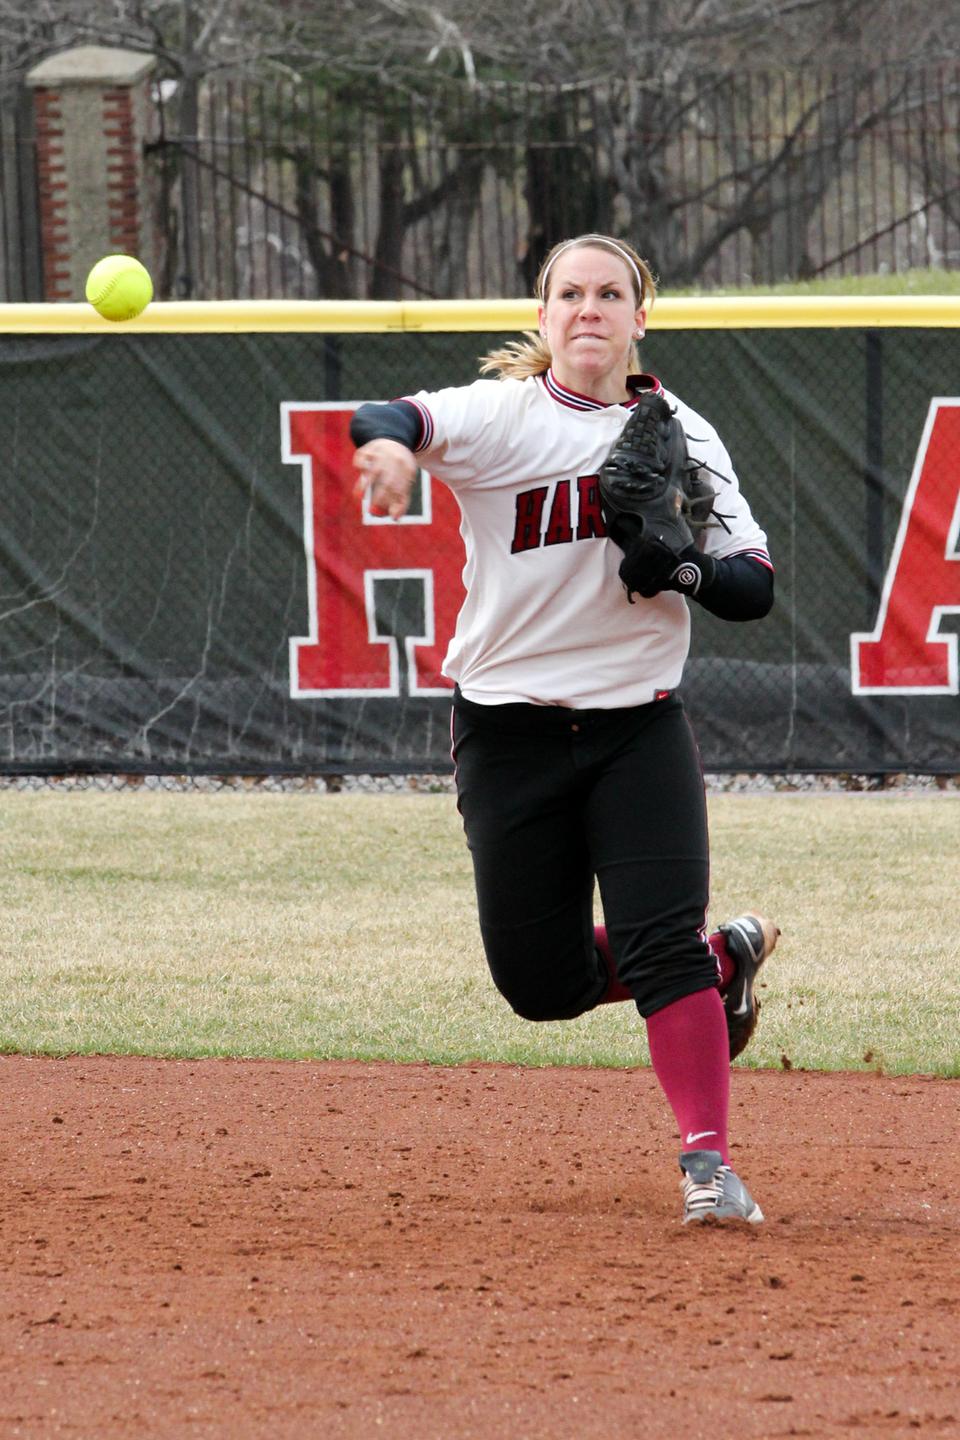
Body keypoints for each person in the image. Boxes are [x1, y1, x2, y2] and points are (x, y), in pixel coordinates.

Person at [350, 232, 778, 1225]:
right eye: (570, 294)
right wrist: (385, 450)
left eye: (610, 293)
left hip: (639, 728)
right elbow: (395, 414)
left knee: (658, 944)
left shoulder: (684, 434)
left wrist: (681, 567)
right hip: (509, 734)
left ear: (640, 315)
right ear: (543, 318)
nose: (590, 309)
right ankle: (725, 963)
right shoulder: (500, 418)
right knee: (540, 985)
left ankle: (708, 1167)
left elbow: (752, 586)